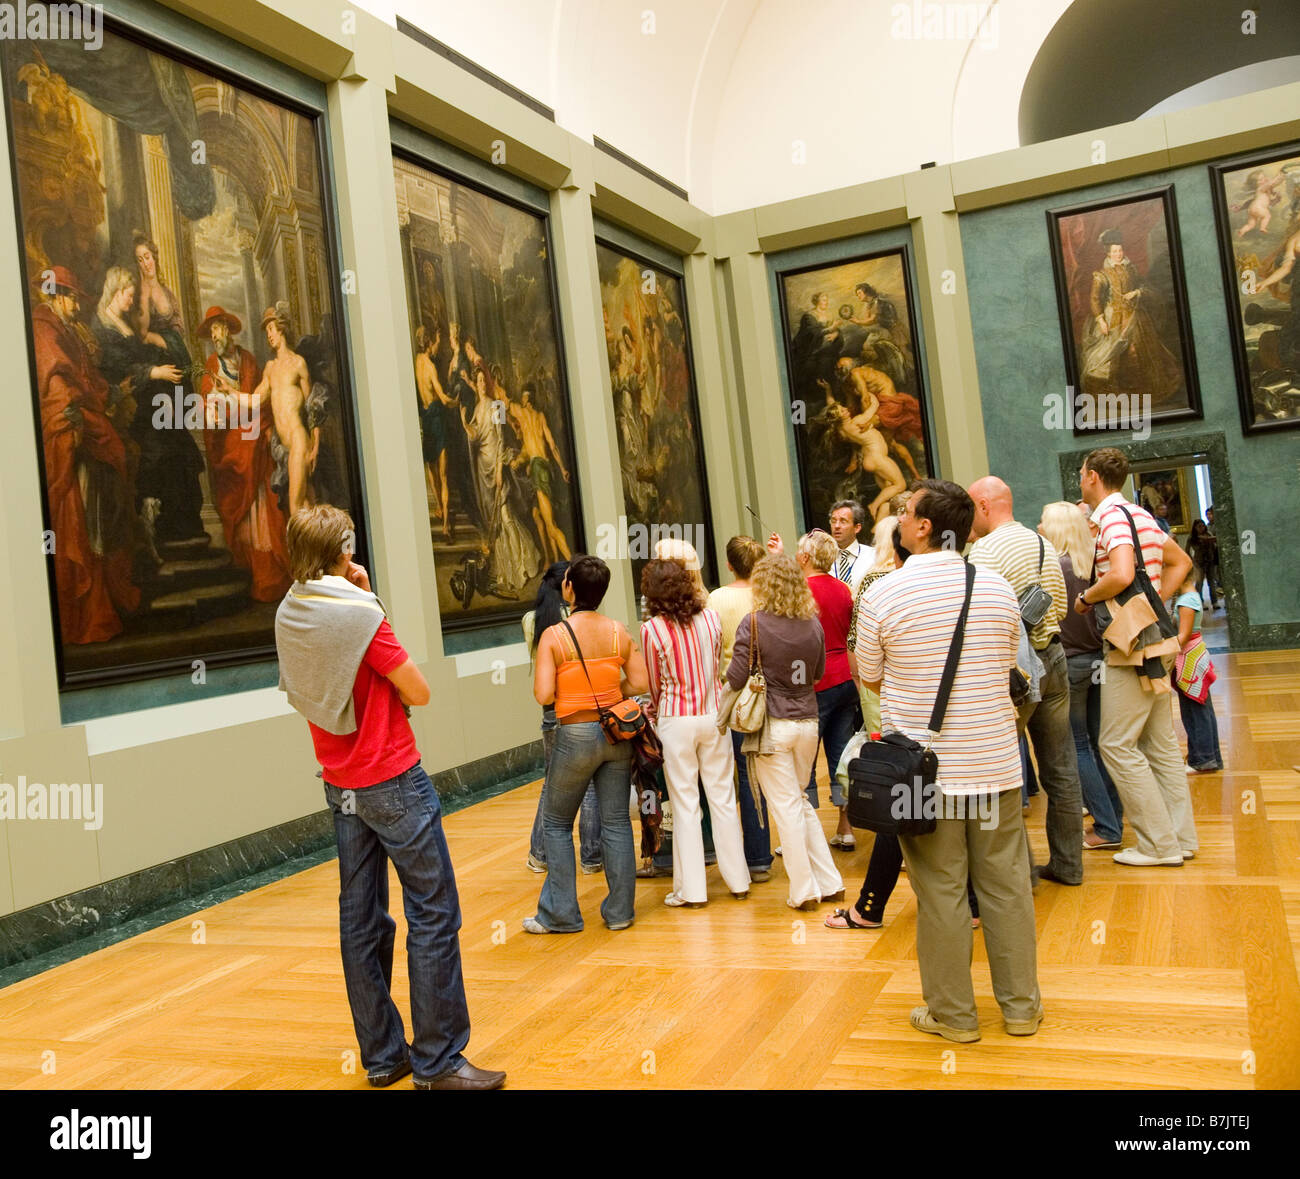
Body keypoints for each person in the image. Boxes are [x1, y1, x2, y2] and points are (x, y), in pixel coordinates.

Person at [275, 505, 504, 1090]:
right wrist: (372, 603)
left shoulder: (291, 612)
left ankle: (383, 1056)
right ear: (338, 552)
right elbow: (418, 691)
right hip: (392, 778)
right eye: (348, 546)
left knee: (361, 918)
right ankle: (440, 1061)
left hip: (340, 781)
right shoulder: (357, 616)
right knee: (433, 910)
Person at [856, 480, 1040, 1042]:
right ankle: (1021, 1010)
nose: (898, 521)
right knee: (1007, 887)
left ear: (924, 528)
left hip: (923, 775)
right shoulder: (997, 587)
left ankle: (954, 1016)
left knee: (940, 891)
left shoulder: (884, 594)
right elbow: (1006, 660)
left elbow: (870, 673)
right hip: (995, 764)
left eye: (904, 513)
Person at [1077, 447, 1196, 867]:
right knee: (1160, 746)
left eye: (1081, 474)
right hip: (1158, 639)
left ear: (1092, 476)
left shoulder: (1110, 516)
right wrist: (1157, 601)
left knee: (1115, 745)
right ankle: (1181, 839)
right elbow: (1181, 561)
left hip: (1132, 647)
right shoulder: (1140, 513)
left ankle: (1157, 845)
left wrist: (1086, 597)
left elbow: (1123, 573)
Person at [968, 476, 1084, 888]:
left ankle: (1021, 876)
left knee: (1005, 773)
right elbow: (1063, 606)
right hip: (1054, 655)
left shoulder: (984, 552)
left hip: (1015, 671)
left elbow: (980, 618)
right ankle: (1069, 865)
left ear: (983, 506)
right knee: (1061, 767)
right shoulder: (1042, 545)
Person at [525, 555, 648, 932]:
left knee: (558, 823)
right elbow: (640, 683)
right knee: (615, 823)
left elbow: (543, 692)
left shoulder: (554, 635)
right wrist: (609, 693)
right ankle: (619, 913)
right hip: (615, 733)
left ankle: (560, 914)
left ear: (568, 588)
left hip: (575, 735)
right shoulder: (617, 630)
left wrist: (575, 691)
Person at [724, 554, 843, 911]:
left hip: (772, 726)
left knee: (787, 807)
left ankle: (804, 890)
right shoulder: (813, 624)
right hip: (807, 721)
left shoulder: (754, 623)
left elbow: (736, 677)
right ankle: (830, 881)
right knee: (800, 801)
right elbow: (818, 673)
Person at [34, 265, 140, 644]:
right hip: (68, 430)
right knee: (77, 512)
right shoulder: (45, 326)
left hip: (85, 421)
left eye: (77, 299)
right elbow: (55, 380)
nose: (77, 306)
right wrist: (73, 414)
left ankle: (104, 586)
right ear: (58, 296)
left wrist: (113, 391)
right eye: (73, 298)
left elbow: (87, 380)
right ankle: (85, 605)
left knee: (111, 473)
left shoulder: (68, 330)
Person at [642, 559, 749, 907]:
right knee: (722, 799)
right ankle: (738, 881)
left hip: (676, 719)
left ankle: (692, 891)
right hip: (712, 714)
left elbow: (654, 685)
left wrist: (656, 714)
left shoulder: (652, 630)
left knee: (686, 804)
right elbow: (717, 665)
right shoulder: (711, 619)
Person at [1038, 501, 1124, 851]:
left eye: (1044, 521)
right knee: (1098, 742)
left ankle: (1106, 826)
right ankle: (1113, 817)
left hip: (1071, 664)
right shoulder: (1096, 568)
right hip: (1100, 661)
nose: (1039, 526)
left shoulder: (1054, 570)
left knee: (1078, 747)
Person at [198, 305, 292, 601]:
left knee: (262, 505)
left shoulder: (249, 360)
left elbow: (261, 401)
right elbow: (208, 406)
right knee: (238, 504)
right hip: (231, 442)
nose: (215, 336)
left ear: (228, 330)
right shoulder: (211, 366)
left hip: (254, 439)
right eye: (211, 332)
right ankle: (251, 569)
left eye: (218, 330)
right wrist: (215, 410)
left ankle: (271, 574)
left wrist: (261, 425)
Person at [522, 561, 601, 875]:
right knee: (592, 783)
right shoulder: (578, 618)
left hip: (551, 711)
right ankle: (592, 857)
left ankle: (539, 855)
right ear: (567, 585)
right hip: (581, 706)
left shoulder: (531, 620)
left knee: (551, 784)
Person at [129, 231, 207, 541]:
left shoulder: (168, 290)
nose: (145, 263)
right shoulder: (141, 293)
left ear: (155, 257)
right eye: (139, 259)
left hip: (178, 367)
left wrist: (172, 344)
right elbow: (142, 333)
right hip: (159, 375)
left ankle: (187, 520)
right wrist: (146, 294)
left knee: (179, 435)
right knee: (164, 440)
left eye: (147, 256)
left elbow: (179, 329)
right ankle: (168, 525)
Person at [708, 535, 772, 882]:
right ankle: (764, 853)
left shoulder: (716, 598)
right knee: (767, 776)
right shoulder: (767, 592)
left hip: (734, 696)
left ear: (729, 564)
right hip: (771, 690)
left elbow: (713, 646)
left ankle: (751, 857)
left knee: (741, 777)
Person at [793, 530, 857, 849]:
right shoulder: (844, 589)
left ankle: (808, 832)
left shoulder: (799, 591)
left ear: (805, 557)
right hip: (845, 676)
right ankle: (845, 827)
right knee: (841, 754)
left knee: (803, 757)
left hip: (814, 680)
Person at [255, 302, 319, 517]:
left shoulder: (298, 363)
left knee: (295, 507)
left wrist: (315, 445)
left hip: (300, 440)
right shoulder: (270, 368)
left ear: (281, 328)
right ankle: (321, 549)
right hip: (284, 449)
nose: (269, 335)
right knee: (307, 504)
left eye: (271, 329)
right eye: (266, 332)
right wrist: (228, 392)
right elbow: (255, 400)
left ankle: (306, 550)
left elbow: (313, 408)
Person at [846, 515, 904, 731]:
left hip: (879, 678)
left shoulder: (872, 579)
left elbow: (855, 636)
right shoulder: (914, 575)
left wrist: (859, 681)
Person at [1172, 571, 1225, 773]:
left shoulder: (1186, 601)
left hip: (1188, 657)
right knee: (1201, 708)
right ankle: (1209, 757)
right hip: (1195, 654)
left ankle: (1202, 759)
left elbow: (1183, 636)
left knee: (1194, 710)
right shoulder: (1192, 597)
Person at [827, 499, 875, 593]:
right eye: (833, 521)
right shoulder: (823, 558)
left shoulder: (873, 556)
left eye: (843, 521)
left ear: (857, 528)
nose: (836, 526)